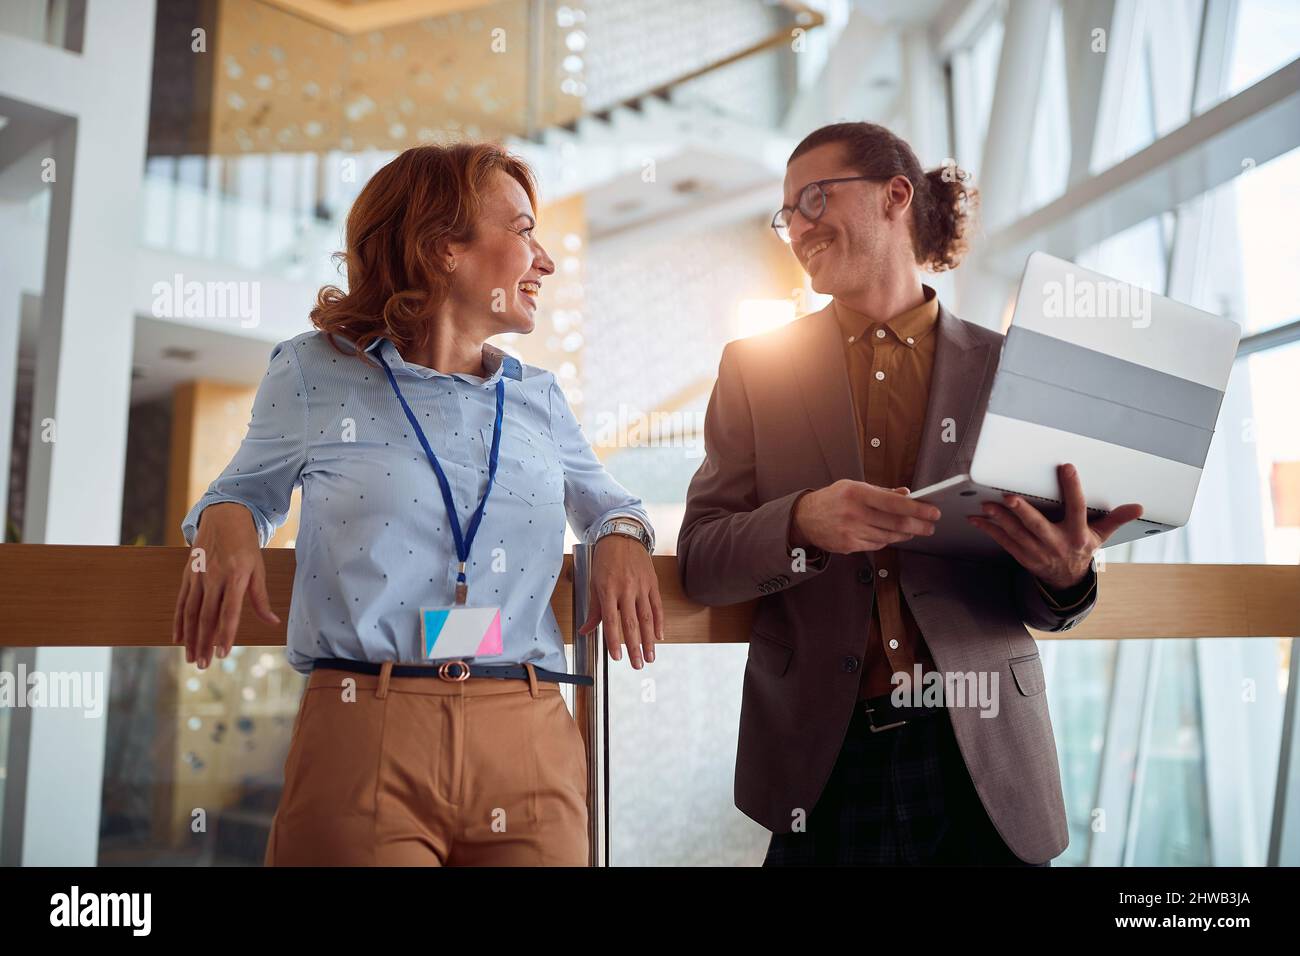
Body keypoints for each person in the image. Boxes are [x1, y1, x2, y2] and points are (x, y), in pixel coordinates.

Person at [173, 142, 663, 866]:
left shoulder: (538, 397)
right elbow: (243, 491)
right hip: (364, 729)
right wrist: (225, 525)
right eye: (524, 231)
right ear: (443, 249)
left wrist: (621, 538)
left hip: (528, 731)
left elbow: (613, 505)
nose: (546, 260)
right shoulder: (315, 370)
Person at [676, 121, 1143, 866]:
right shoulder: (753, 371)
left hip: (984, 757)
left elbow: (1043, 587)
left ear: (896, 195)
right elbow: (702, 558)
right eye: (786, 213)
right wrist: (802, 521)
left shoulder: (1009, 370)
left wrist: (1067, 575)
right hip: (821, 760)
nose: (796, 228)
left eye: (814, 199)